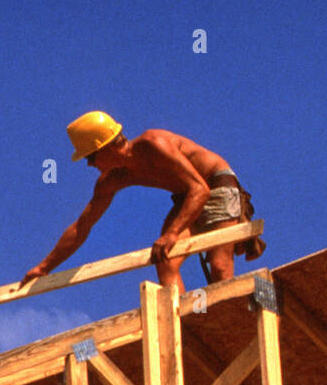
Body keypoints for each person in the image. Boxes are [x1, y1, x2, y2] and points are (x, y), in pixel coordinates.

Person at [21, 111, 262, 293]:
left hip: (215, 186)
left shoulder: (154, 144)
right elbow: (81, 227)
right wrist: (44, 267)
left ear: (106, 148)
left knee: (219, 265)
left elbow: (200, 190)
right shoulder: (111, 180)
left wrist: (172, 233)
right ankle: (180, 325)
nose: (89, 165)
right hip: (186, 197)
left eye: (90, 157)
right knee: (165, 260)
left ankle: (229, 312)